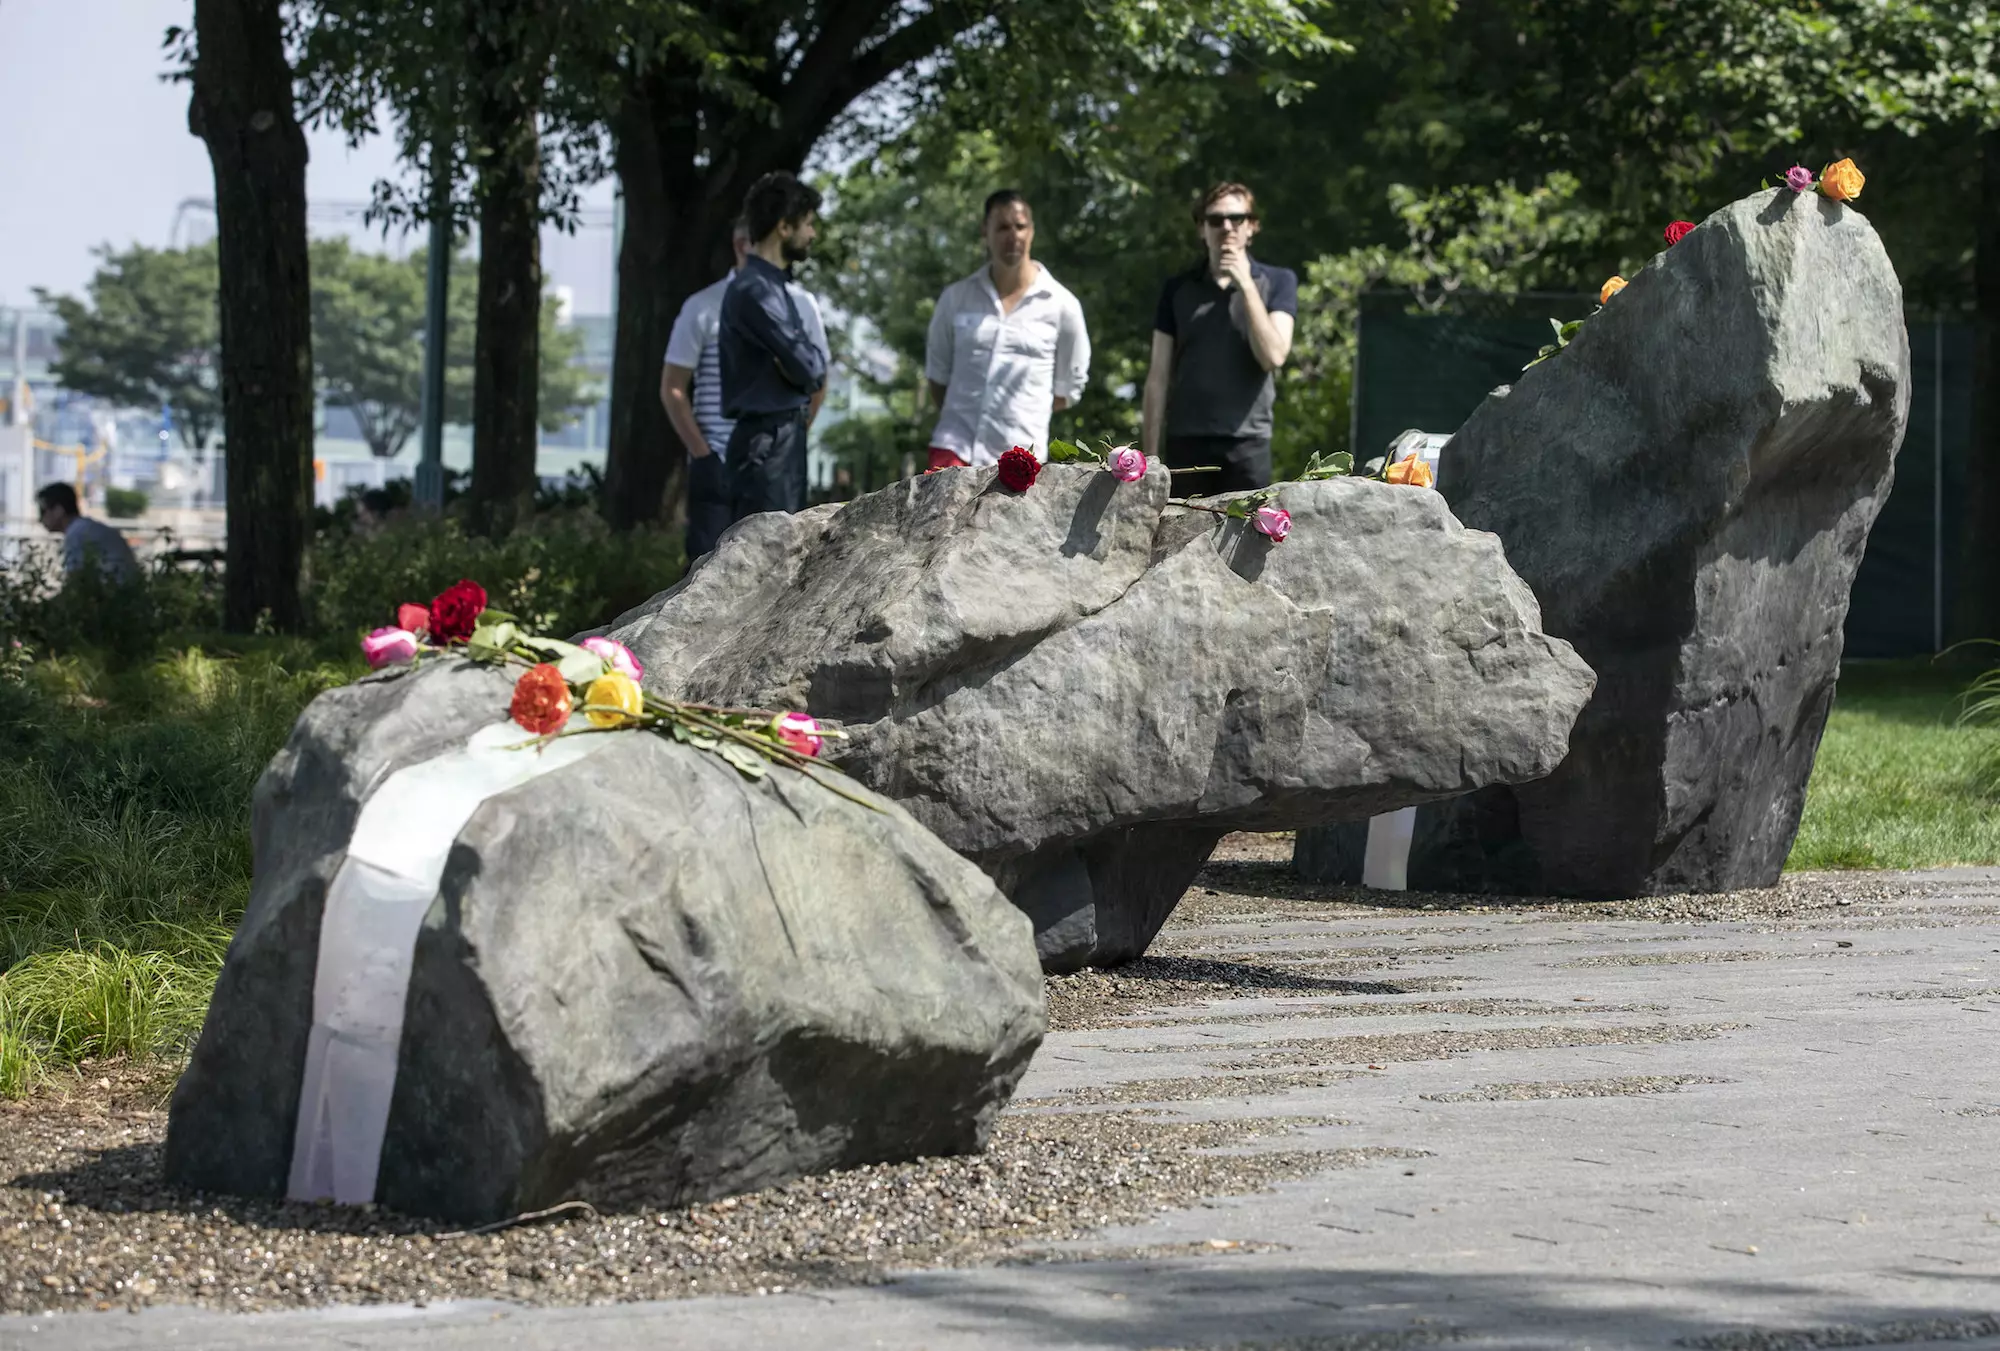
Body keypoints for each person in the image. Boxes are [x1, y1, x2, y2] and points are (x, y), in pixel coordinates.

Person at [664, 220, 829, 557]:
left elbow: (819, 380)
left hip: (773, 462)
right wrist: (702, 453)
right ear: (741, 245)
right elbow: (673, 387)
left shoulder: (801, 302)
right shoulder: (702, 306)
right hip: (716, 461)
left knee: (774, 568)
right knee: (704, 574)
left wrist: (792, 434)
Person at [1142, 181, 1298, 493]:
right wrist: (1149, 458)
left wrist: (1246, 285)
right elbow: (1157, 377)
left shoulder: (1279, 281)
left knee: (1246, 540)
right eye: (1215, 220)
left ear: (1251, 227)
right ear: (1202, 229)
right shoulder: (1178, 289)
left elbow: (1273, 356)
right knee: (1177, 539)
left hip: (1248, 444)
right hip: (1186, 441)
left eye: (1237, 218)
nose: (1226, 227)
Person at [923, 190, 1090, 471]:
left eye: (1020, 226)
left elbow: (1069, 389)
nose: (1013, 235)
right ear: (984, 231)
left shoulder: (1063, 305)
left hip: (1020, 457)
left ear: (1032, 231)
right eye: (1002, 227)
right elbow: (937, 377)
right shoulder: (955, 298)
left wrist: (1023, 411)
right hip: (953, 447)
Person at [719, 172, 827, 522]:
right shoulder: (757, 291)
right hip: (766, 447)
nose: (811, 234)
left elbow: (808, 367)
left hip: (778, 441)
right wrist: (800, 367)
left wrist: (800, 366)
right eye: (807, 224)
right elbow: (810, 368)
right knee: (766, 563)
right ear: (784, 227)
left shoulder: (772, 288)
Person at [37, 482, 139, 583]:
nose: (40, 518)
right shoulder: (85, 528)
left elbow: (76, 582)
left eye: (43, 511)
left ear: (58, 510)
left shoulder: (76, 534)